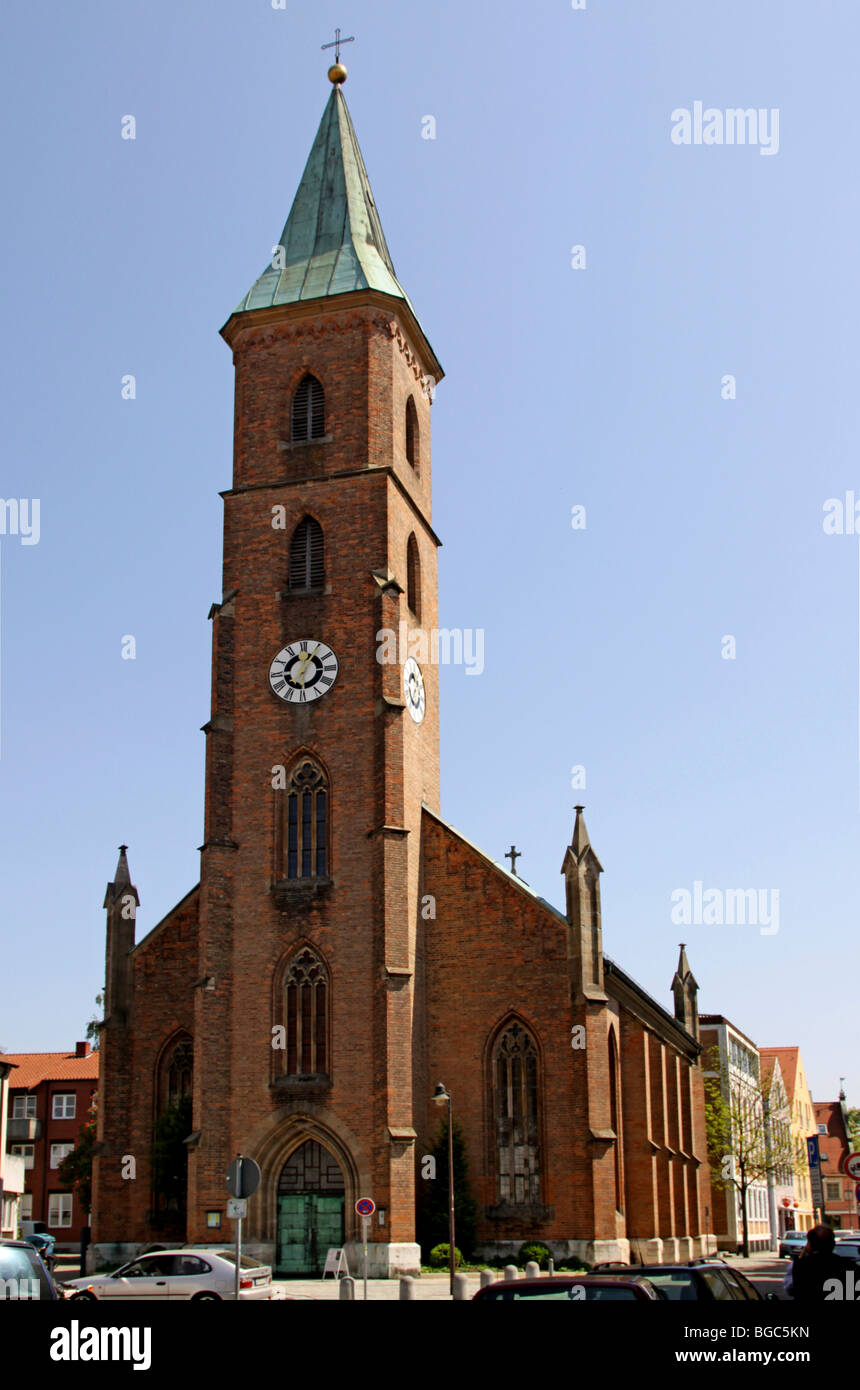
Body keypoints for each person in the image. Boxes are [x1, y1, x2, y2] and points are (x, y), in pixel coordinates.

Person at [786, 1225, 856, 1301]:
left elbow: (790, 1289)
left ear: (809, 1245)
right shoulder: (850, 1266)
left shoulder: (799, 1266)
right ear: (833, 1244)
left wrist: (803, 1254)